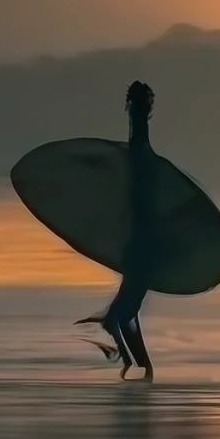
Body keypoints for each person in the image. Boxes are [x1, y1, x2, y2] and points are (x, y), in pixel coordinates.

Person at [79, 81, 157, 381]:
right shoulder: (140, 157)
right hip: (140, 243)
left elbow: (138, 138)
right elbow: (137, 138)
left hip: (141, 243)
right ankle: (137, 365)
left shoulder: (141, 156)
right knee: (124, 313)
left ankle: (137, 365)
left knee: (123, 314)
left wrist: (137, 111)